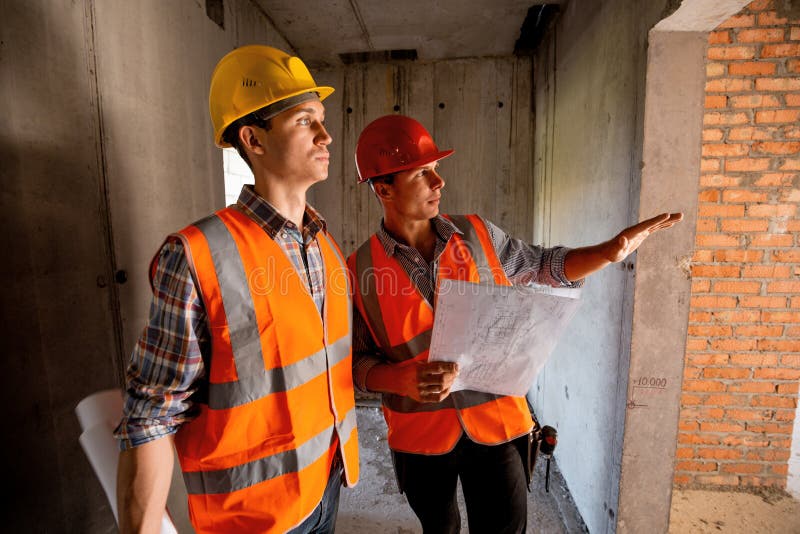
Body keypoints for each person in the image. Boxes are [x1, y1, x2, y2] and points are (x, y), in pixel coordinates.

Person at [347, 114, 682, 534]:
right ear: (383, 188)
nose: (439, 182)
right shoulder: (358, 269)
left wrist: (609, 252)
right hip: (420, 438)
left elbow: (543, 265)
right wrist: (399, 380)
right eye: (422, 173)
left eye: (437, 170)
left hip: (498, 426)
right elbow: (356, 364)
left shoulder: (477, 234)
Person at [114, 45, 359, 534]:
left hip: (328, 479)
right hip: (255, 517)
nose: (327, 135)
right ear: (254, 139)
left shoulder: (326, 247)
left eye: (322, 119)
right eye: (305, 120)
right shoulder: (197, 255)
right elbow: (152, 416)